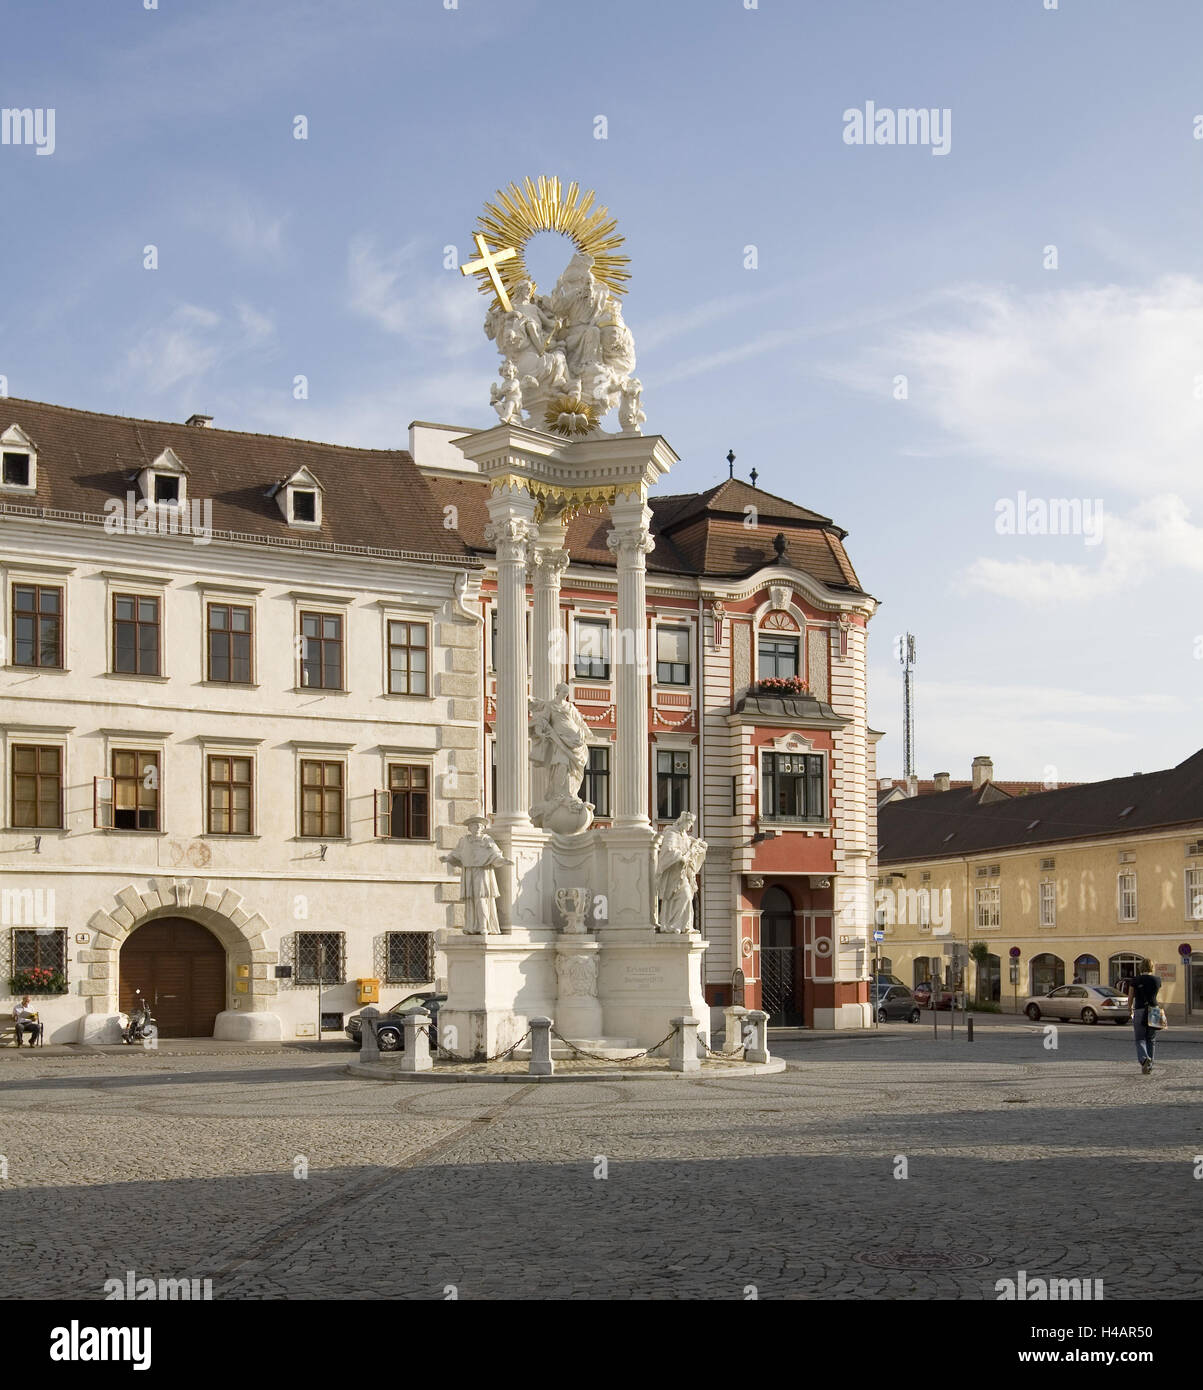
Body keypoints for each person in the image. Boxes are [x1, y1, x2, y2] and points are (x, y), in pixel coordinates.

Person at [1126, 966, 1161, 1074]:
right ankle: (1149, 1066)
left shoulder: (1136, 980)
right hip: (1154, 1010)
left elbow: (1131, 996)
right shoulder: (1157, 979)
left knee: (1140, 1038)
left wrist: (1129, 1008)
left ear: (1141, 967)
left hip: (1140, 1009)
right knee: (1151, 1039)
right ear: (1151, 967)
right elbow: (1155, 995)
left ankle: (1144, 1059)